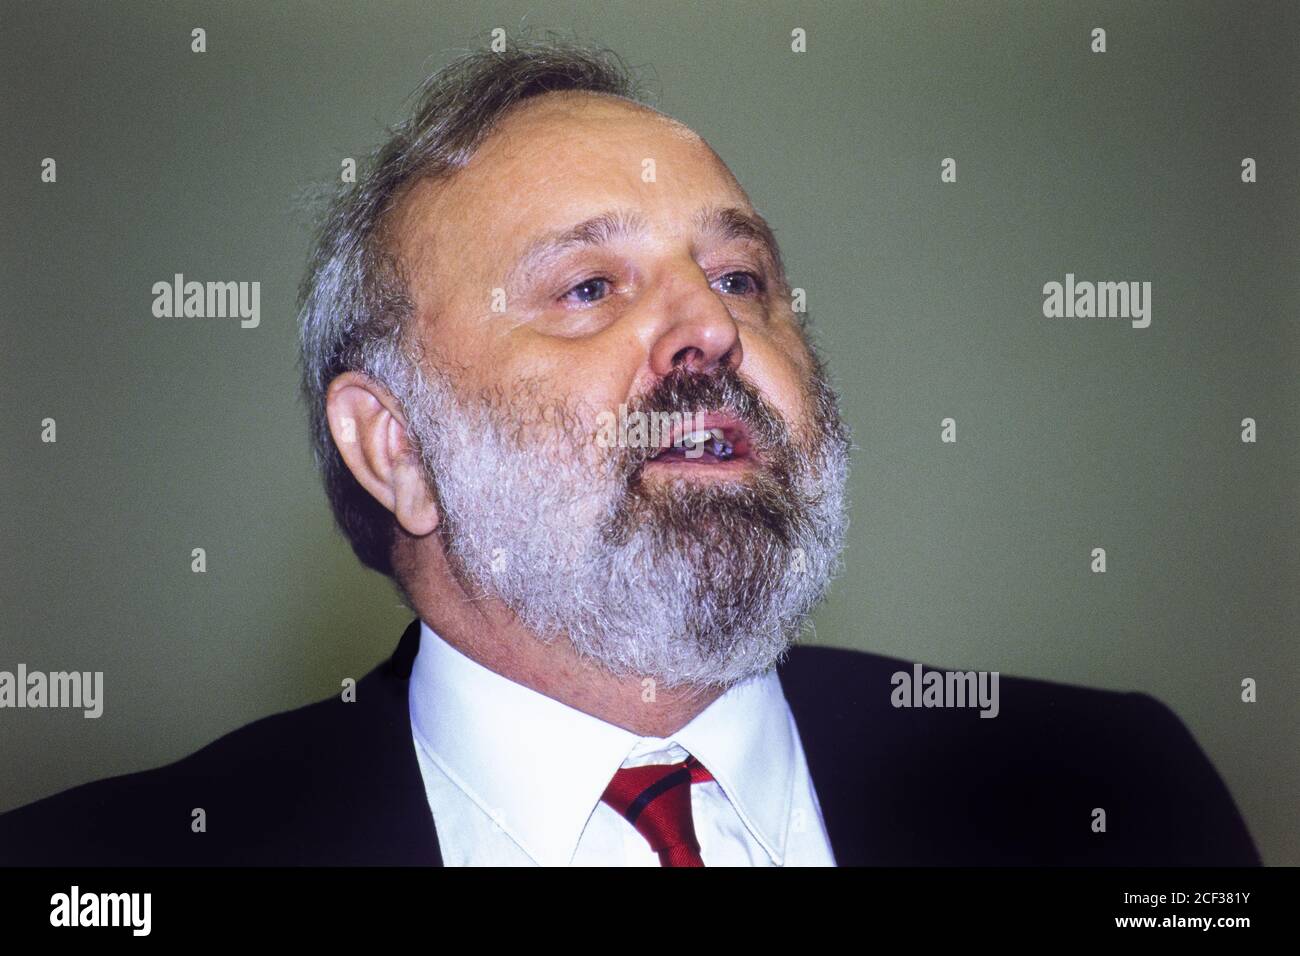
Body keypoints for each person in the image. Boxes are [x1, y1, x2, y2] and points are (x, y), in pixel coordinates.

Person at [0, 41, 1259, 867]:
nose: (712, 326)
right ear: (395, 451)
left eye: (740, 274)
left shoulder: (1114, 793)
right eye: (590, 285)